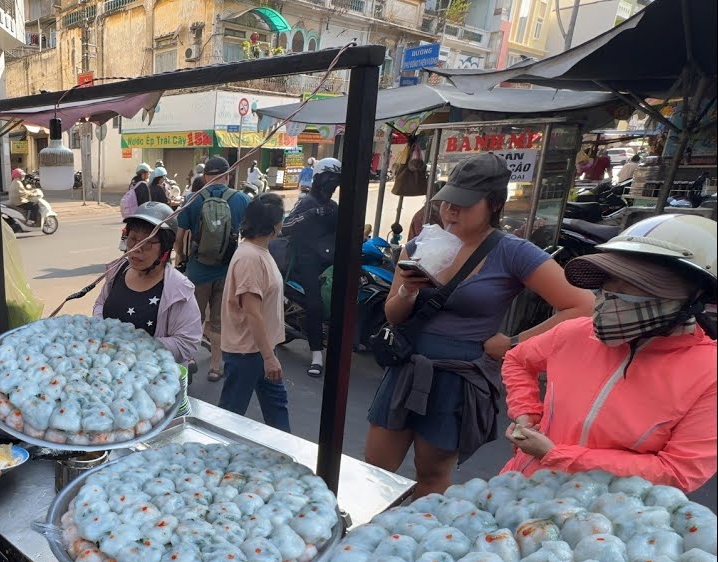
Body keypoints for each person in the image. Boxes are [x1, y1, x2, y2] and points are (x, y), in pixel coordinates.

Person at [364, 153, 595, 496]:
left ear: (494, 204)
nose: (451, 211)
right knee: (374, 468)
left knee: (431, 474)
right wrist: (407, 292)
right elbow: (394, 316)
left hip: (459, 378)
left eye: (465, 204)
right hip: (405, 368)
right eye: (447, 202)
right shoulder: (421, 244)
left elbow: (582, 305)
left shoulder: (512, 252)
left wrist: (515, 342)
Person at [501, 215, 717, 492]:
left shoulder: (708, 374)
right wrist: (526, 415)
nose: (610, 297)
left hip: (604, 518)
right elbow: (518, 359)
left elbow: (679, 471)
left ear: (695, 297)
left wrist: (556, 455)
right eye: (609, 282)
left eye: (634, 286)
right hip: (521, 487)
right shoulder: (574, 333)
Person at [93, 201, 202, 364]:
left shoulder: (178, 289)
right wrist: (101, 328)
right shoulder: (117, 270)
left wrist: (138, 348)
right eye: (132, 239)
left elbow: (188, 343)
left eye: (148, 243)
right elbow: (101, 303)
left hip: (147, 381)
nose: (137, 248)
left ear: (165, 247)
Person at [174, 156, 250, 382]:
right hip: (227, 270)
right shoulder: (241, 199)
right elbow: (246, 238)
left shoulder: (192, 199)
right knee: (218, 321)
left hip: (198, 269)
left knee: (192, 319)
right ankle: (216, 368)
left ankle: (189, 362)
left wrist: (182, 258)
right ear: (228, 175)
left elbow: (179, 236)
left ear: (205, 176)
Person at [219, 193, 289, 432]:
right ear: (273, 225)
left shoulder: (259, 252)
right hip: (248, 353)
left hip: (260, 349)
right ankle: (216, 461)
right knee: (229, 416)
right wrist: (268, 357)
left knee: (277, 409)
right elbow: (252, 312)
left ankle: (285, 456)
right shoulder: (250, 257)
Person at [281, 157, 343, 378]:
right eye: (329, 178)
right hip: (305, 262)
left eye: (335, 180)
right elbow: (285, 227)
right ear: (318, 178)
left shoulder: (334, 207)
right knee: (315, 304)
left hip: (330, 262)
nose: (332, 184)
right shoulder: (307, 202)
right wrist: (310, 215)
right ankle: (317, 355)